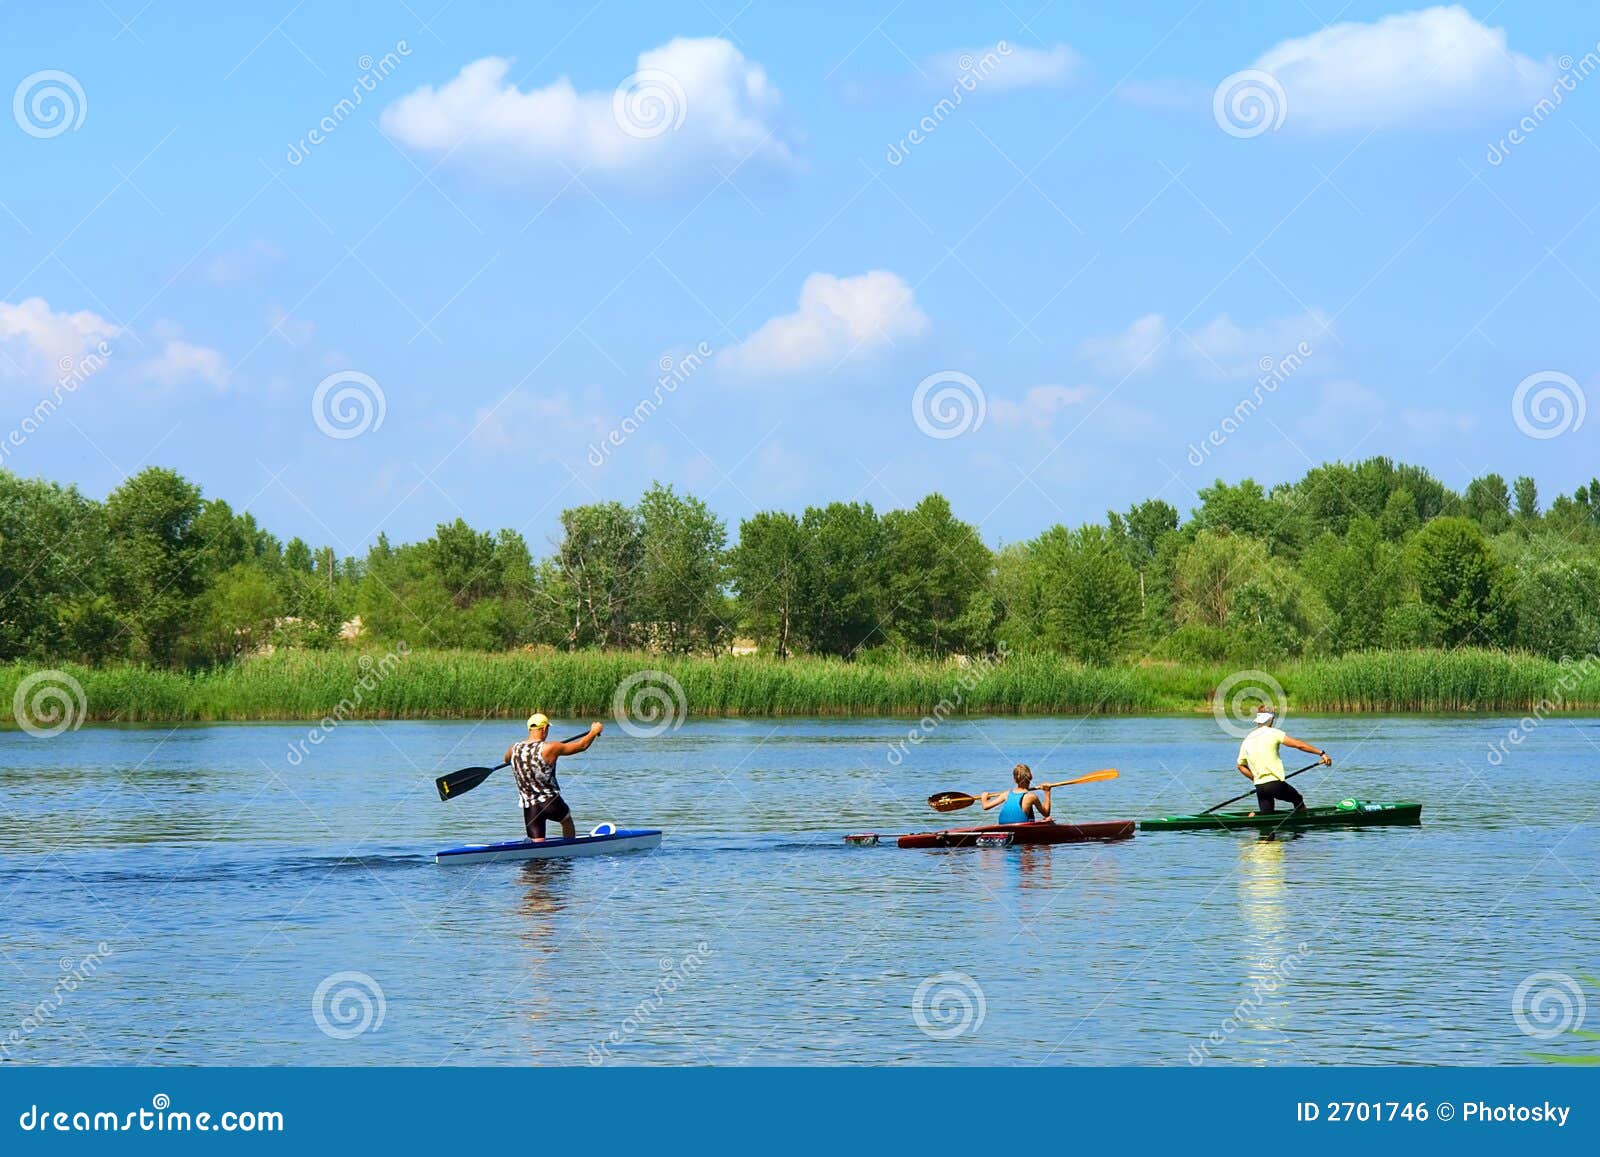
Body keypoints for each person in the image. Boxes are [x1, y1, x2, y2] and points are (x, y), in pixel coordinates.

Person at [503, 713, 603, 840]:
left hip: (530, 806)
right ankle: (568, 852)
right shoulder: (551, 747)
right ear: (544, 728)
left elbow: (506, 760)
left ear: (530, 729)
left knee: (538, 845)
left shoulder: (513, 749)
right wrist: (594, 732)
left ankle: (538, 859)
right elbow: (582, 746)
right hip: (550, 802)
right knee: (567, 821)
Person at [1236, 706, 1331, 814]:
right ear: (1271, 719)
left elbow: (1240, 766)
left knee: (1268, 819)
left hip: (1260, 787)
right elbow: (1298, 745)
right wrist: (1321, 753)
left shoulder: (1247, 739)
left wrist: (1255, 779)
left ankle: (1253, 818)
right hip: (1275, 784)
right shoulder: (1273, 733)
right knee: (1298, 799)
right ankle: (1302, 827)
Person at [978, 764, 1052, 824]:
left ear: (1014, 779)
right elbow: (1046, 813)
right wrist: (1047, 792)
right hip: (1021, 827)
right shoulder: (1031, 797)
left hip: (1003, 825)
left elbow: (985, 806)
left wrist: (984, 797)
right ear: (1031, 777)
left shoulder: (1006, 794)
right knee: (1048, 819)